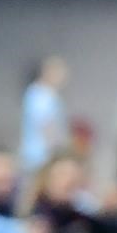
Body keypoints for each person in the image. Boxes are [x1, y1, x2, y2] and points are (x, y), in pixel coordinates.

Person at [19, 56, 70, 184]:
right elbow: (46, 125)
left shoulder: (34, 93)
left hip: (35, 155)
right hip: (43, 155)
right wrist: (58, 155)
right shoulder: (43, 95)